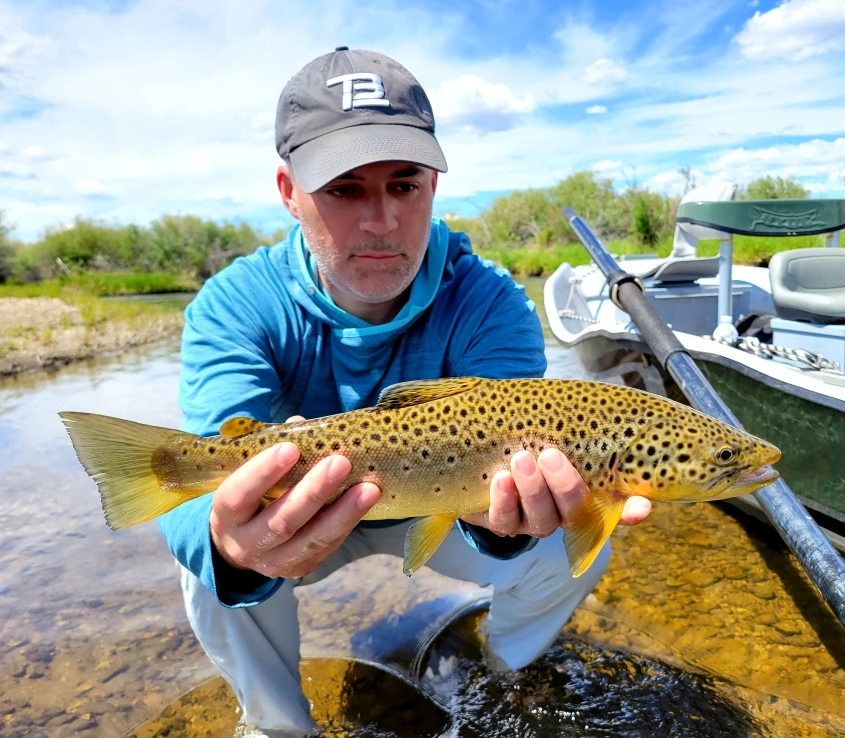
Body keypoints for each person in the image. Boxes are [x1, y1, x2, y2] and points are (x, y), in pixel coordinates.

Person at [157, 47, 652, 738]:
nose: (382, 220)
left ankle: (507, 677)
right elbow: (196, 474)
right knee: (210, 562)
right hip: (299, 524)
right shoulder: (235, 305)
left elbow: (519, 478)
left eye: (404, 184)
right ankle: (276, 728)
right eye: (346, 189)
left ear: (433, 186)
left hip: (447, 510)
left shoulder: (490, 303)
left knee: (580, 529)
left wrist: (505, 526)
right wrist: (225, 541)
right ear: (287, 190)